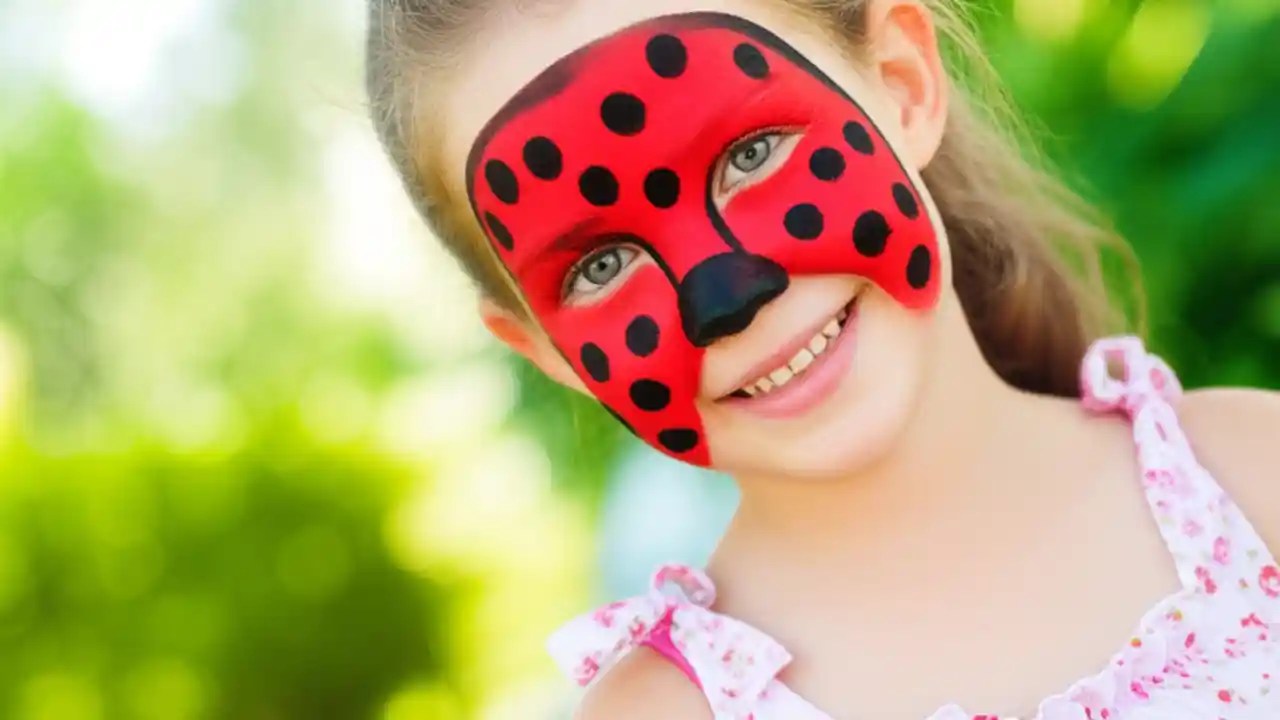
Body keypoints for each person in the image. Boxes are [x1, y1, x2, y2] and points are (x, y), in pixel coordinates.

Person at [363, 1, 1280, 717]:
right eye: (601, 264)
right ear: (547, 351)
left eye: (752, 152)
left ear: (902, 81)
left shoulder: (1251, 476)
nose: (724, 297)